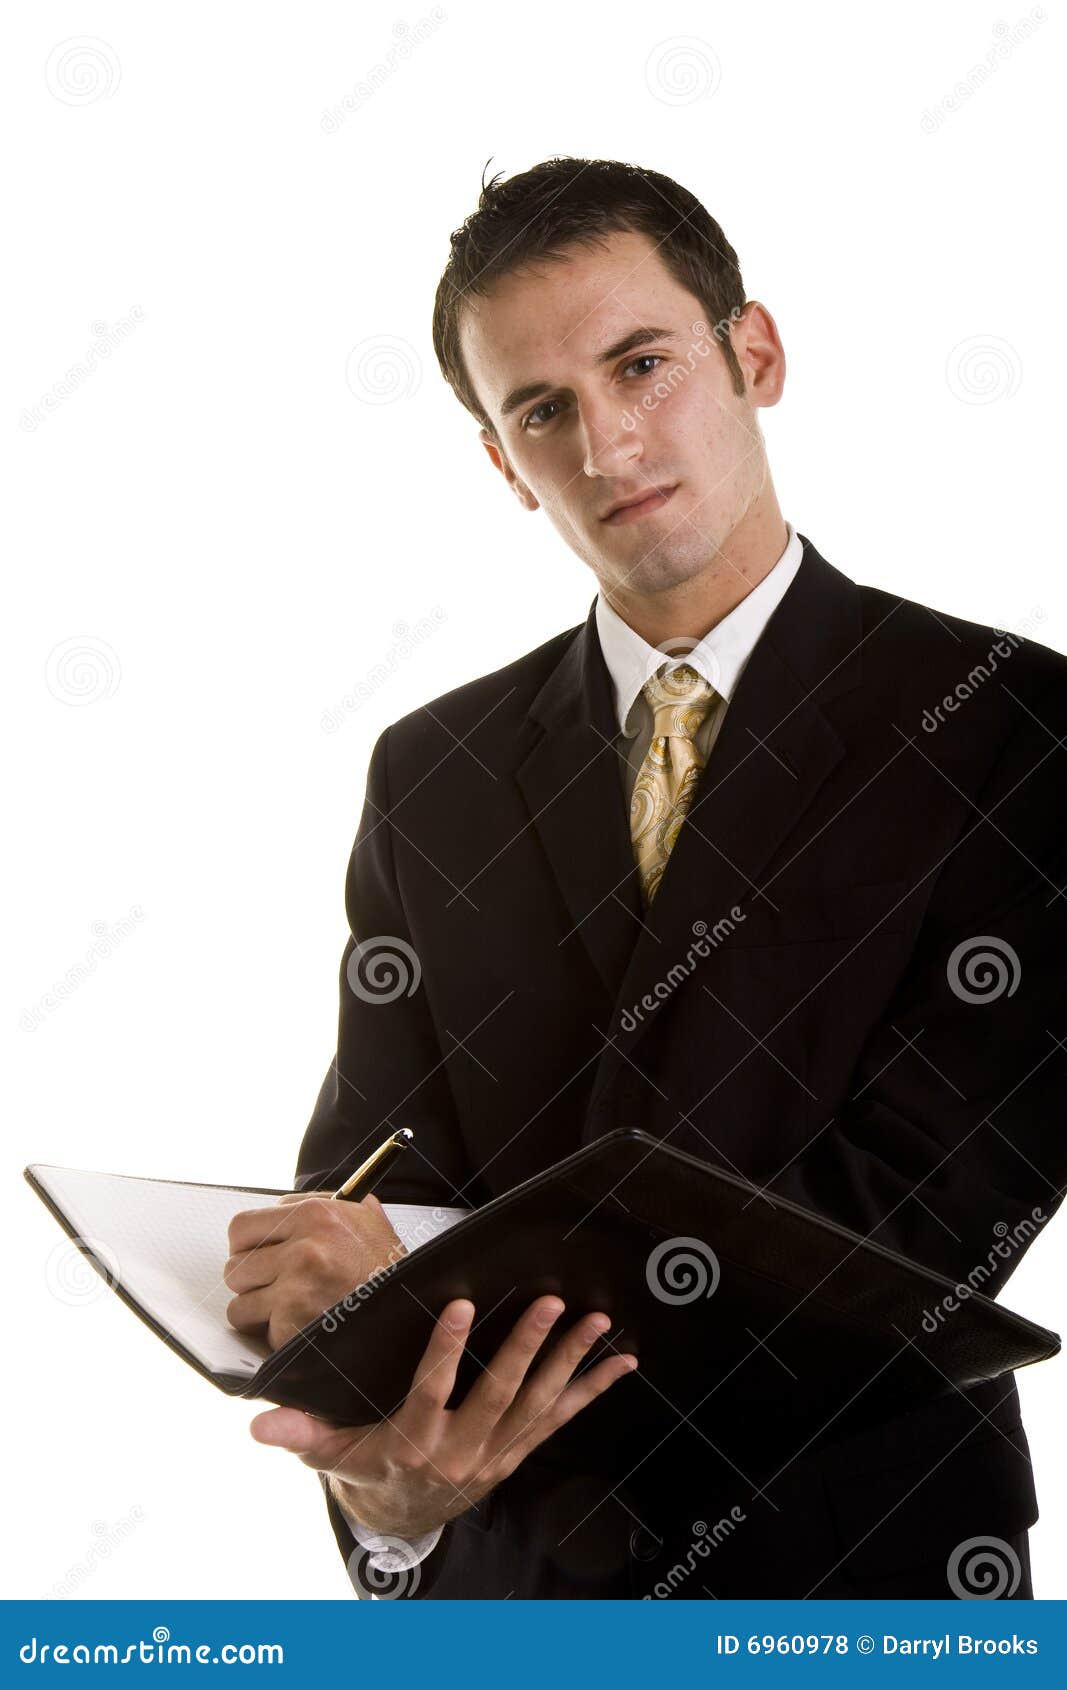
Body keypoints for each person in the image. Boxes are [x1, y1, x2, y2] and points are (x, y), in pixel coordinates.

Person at [223, 158, 1067, 1599]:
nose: (606, 443)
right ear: (501, 458)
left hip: (851, 1569)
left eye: (643, 365)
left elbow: (926, 1225)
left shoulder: (1009, 722)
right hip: (502, 1584)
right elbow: (382, 1173)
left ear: (755, 355)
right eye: (540, 410)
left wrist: (461, 1334)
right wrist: (375, 1444)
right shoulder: (432, 768)